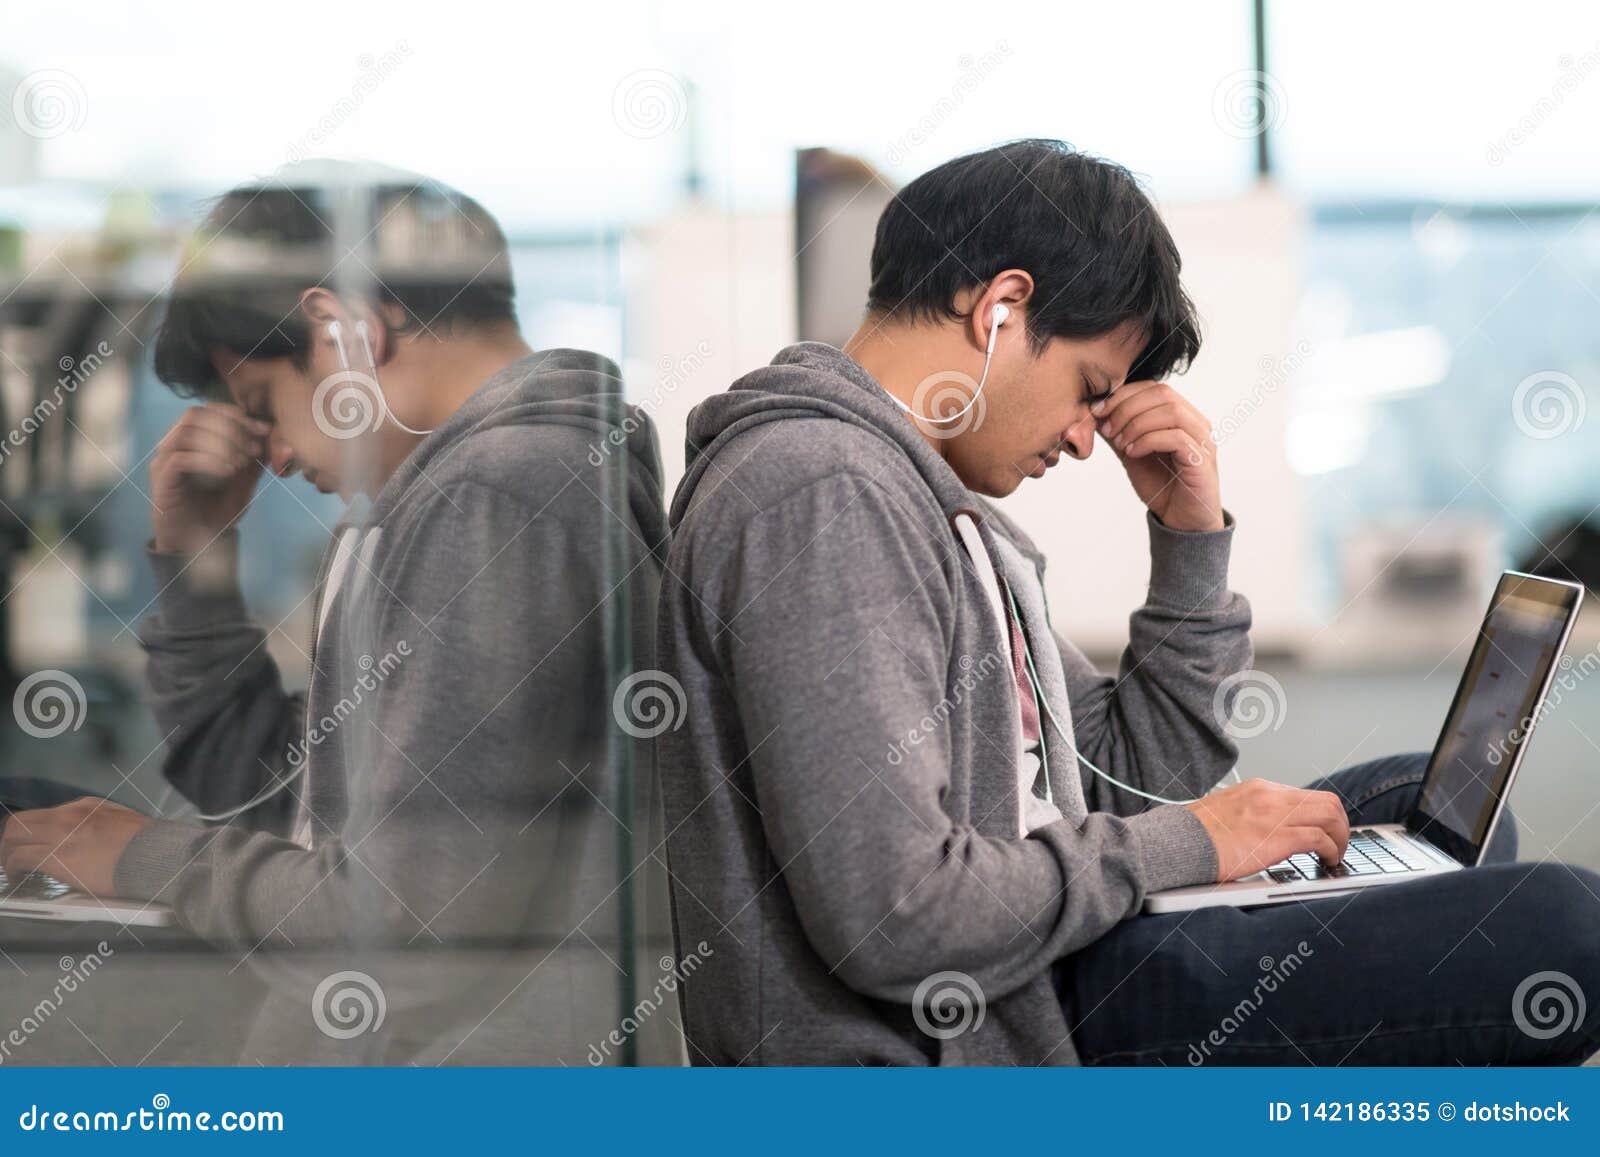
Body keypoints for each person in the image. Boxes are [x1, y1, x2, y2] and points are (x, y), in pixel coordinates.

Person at [654, 139, 1600, 1065]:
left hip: (1049, 949)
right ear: (1003, 308)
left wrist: (1188, 541)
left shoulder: (929, 503)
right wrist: (1190, 846)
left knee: (1412, 807)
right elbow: (898, 916)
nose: (1080, 438)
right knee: (1560, 920)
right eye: (1088, 388)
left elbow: (1128, 772)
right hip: (1005, 1015)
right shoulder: (824, 494)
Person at [0, 164, 676, 1064]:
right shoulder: (454, 494)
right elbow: (295, 801)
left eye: (261, 405)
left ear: (342, 329)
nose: (269, 454)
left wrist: (138, 854)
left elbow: (409, 926)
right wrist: (197, 562)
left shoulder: (495, 496)